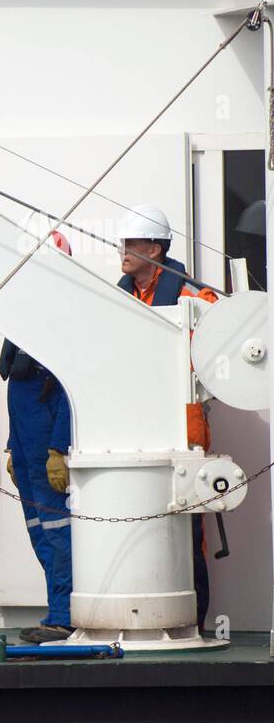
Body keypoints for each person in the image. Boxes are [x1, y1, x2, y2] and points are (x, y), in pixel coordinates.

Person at [116, 203, 218, 629]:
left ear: (154, 250)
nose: (122, 250)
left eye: (131, 243)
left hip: (182, 418)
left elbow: (219, 332)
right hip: (136, 420)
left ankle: (193, 615)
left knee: (186, 521)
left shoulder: (190, 292)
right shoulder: (121, 293)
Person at [4, 232, 75, 643]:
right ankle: (56, 611)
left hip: (48, 447)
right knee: (39, 531)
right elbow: (19, 389)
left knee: (59, 531)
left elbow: (70, 392)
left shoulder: (65, 321)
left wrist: (58, 448)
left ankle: (66, 615)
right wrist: (14, 447)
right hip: (28, 449)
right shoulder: (26, 318)